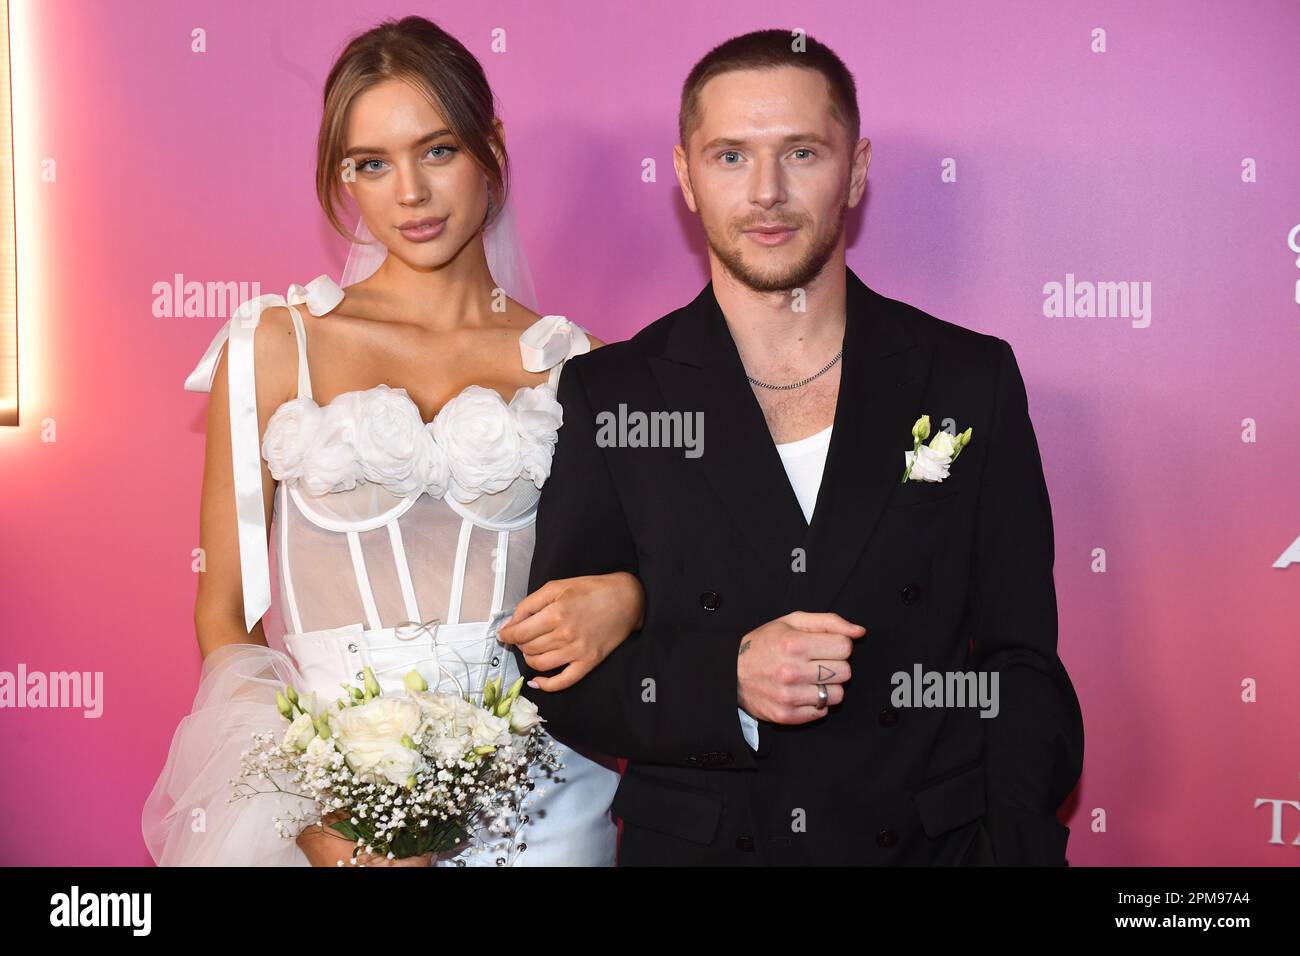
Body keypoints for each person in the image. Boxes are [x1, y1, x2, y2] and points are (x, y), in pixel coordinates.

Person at [502, 29, 1085, 866]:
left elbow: (1020, 664)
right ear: (685, 176)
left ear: (855, 169)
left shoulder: (968, 379)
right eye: (731, 155)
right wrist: (726, 682)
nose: (766, 192)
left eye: (801, 152)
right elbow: (562, 680)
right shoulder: (614, 392)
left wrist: (1012, 846)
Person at [142, 16, 638, 867]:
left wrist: (627, 594)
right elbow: (224, 610)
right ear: (345, 180)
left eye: (437, 150)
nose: (409, 193)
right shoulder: (271, 344)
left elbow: (627, 571)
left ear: (491, 148)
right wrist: (313, 814)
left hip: (537, 805)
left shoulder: (575, 364)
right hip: (330, 807)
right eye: (371, 164)